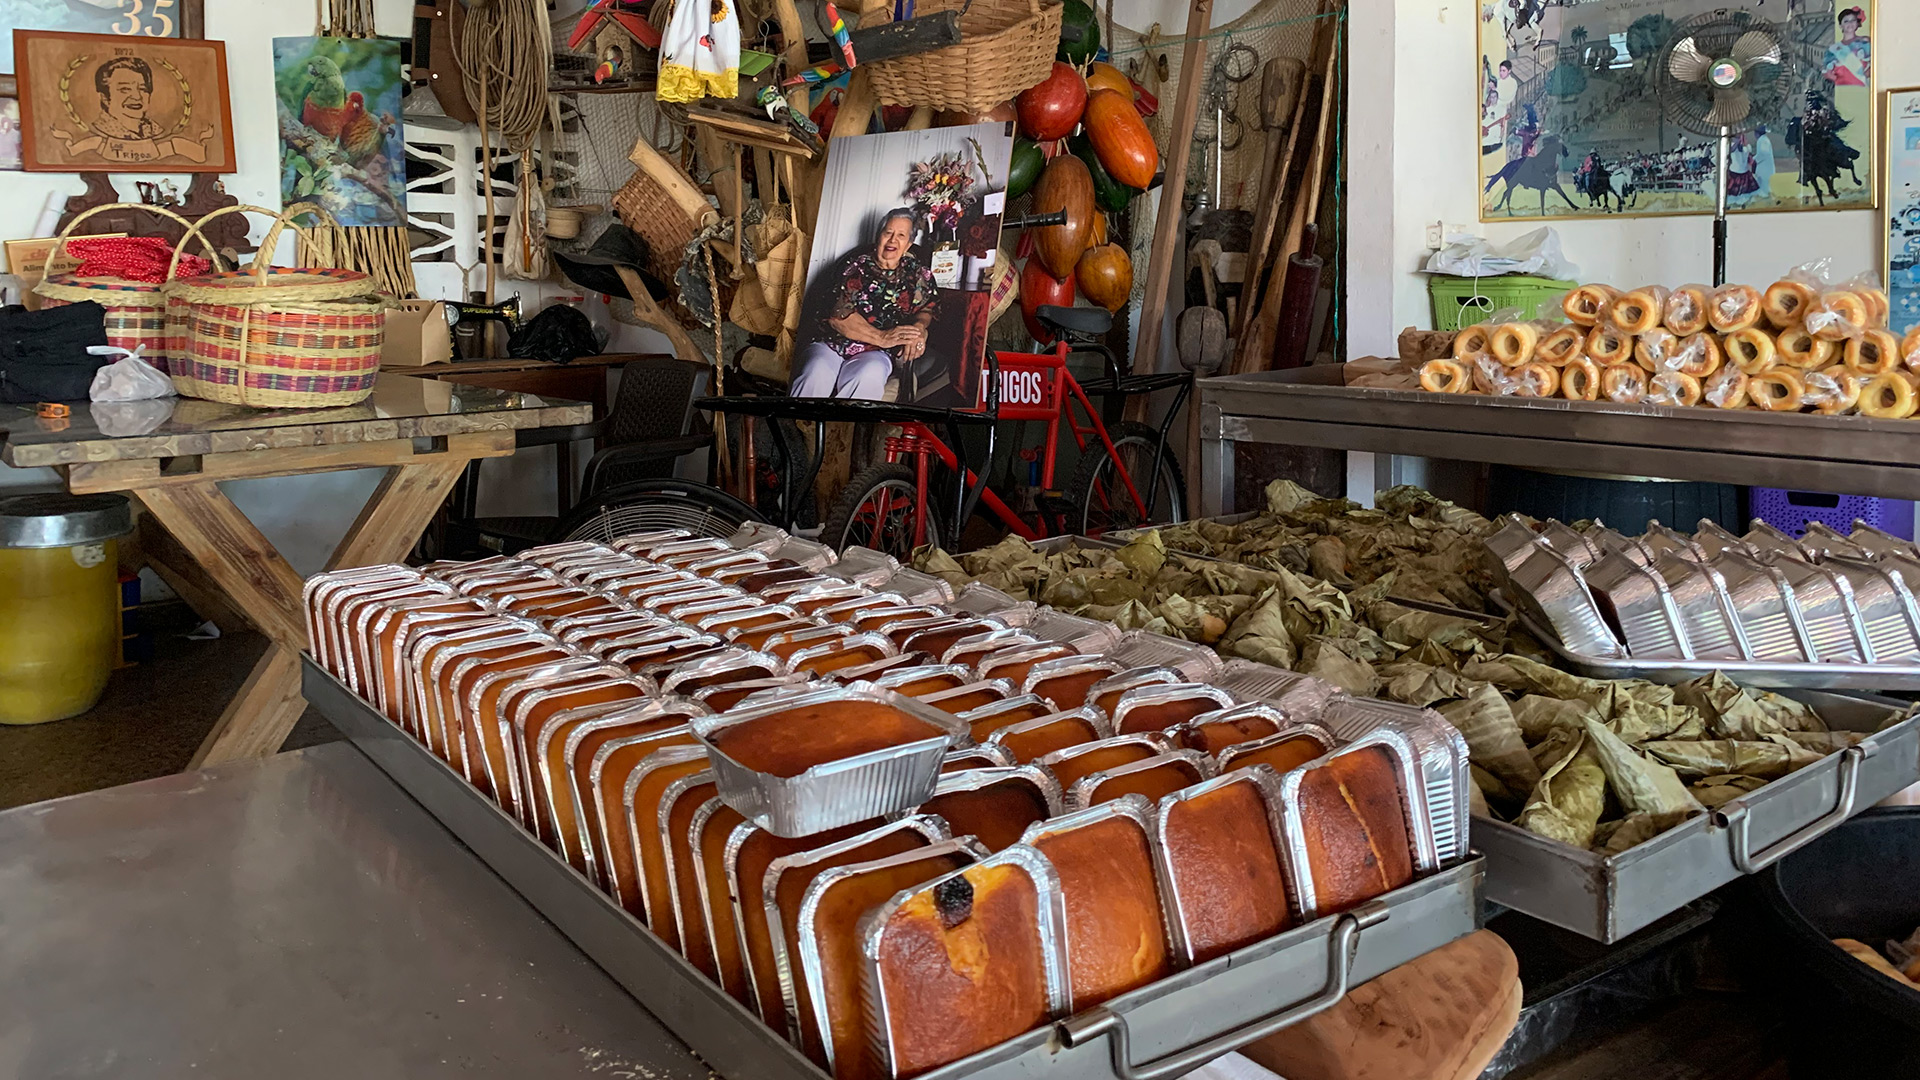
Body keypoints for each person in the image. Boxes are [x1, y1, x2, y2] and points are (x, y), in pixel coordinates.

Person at [791, 208, 937, 400]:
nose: (893, 240)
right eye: (888, 233)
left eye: (901, 235)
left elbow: (927, 307)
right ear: (879, 236)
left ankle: (841, 429)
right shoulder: (855, 267)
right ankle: (797, 426)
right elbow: (838, 317)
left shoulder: (917, 274)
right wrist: (883, 337)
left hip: (875, 353)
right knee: (816, 374)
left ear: (908, 244)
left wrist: (918, 328)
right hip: (832, 343)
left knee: (868, 376)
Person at [92, 57, 159, 141]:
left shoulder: (155, 130)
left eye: (142, 89)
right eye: (125, 89)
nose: (137, 96)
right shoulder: (99, 131)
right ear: (105, 98)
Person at [1823, 7, 1869, 88]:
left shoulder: (1865, 43)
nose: (1850, 23)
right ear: (1840, 25)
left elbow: (1876, 64)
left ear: (1857, 23)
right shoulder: (1832, 49)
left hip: (1862, 89)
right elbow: (1827, 72)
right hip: (1842, 90)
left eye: (1853, 20)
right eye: (1846, 21)